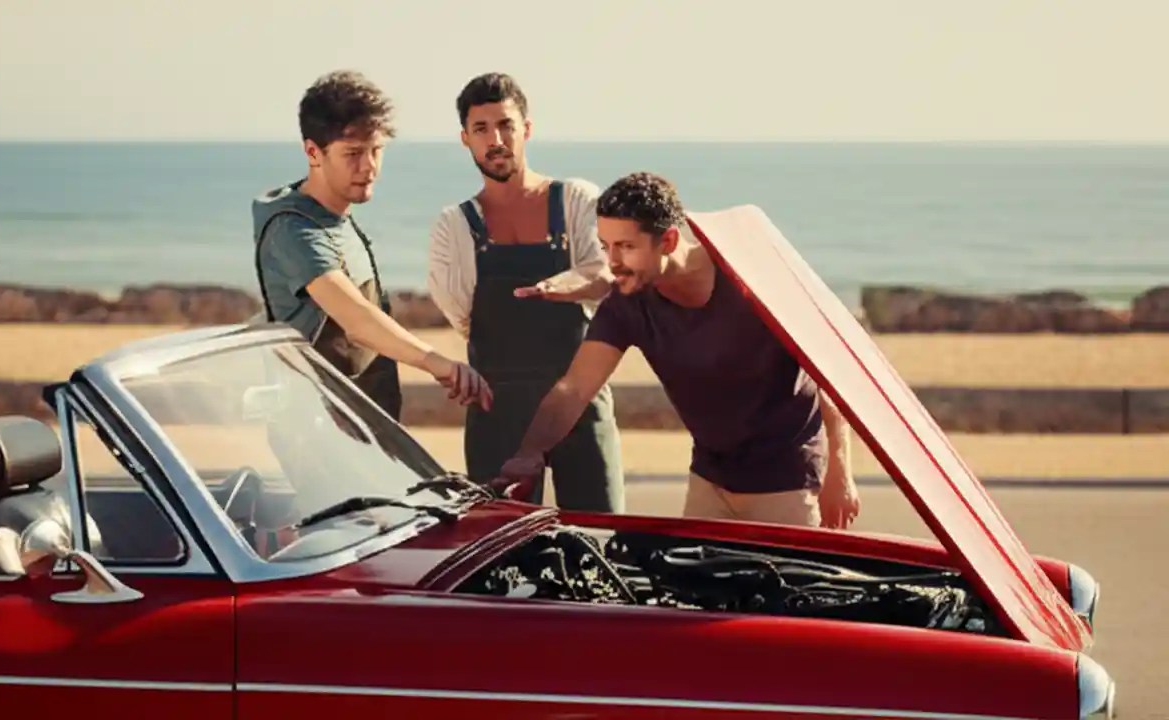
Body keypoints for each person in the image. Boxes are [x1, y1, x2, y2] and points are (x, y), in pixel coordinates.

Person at [498, 172, 860, 529]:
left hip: (788, 482)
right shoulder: (628, 301)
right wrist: (530, 452)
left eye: (626, 247)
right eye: (606, 246)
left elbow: (825, 371)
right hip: (710, 479)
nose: (613, 262)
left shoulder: (752, 281)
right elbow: (575, 388)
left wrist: (840, 470)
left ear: (668, 240)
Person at [426, 72, 624, 512]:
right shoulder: (453, 226)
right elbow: (461, 316)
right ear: (465, 138)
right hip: (496, 413)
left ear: (527, 129)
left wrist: (564, 286)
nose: (495, 140)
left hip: (580, 403)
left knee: (603, 533)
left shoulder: (576, 199)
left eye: (506, 125)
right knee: (501, 541)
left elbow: (609, 275)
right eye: (481, 129)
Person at [251, 70, 492, 421]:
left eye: (376, 150)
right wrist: (438, 363)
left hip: (362, 426)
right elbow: (357, 321)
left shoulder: (335, 216)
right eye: (353, 153)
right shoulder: (294, 230)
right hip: (318, 429)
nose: (369, 166)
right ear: (313, 153)